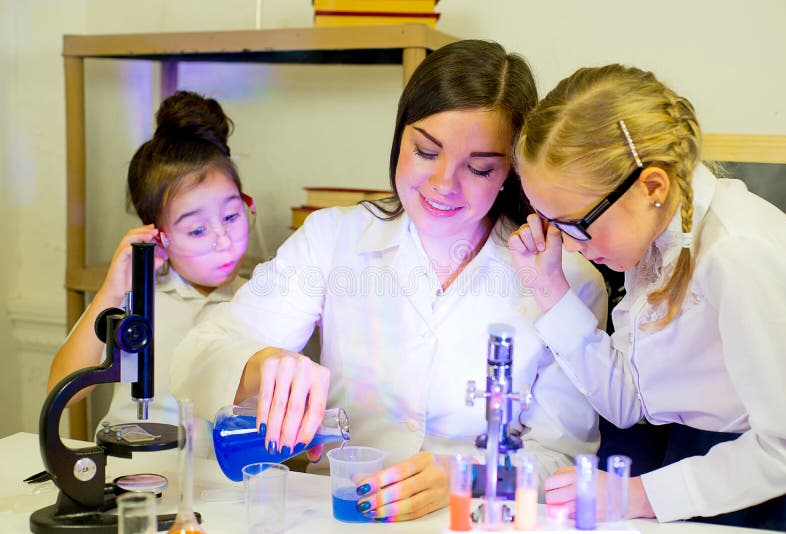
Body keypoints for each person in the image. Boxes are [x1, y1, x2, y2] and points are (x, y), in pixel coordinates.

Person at [172, 39, 608, 521]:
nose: (445, 183)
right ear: (399, 137)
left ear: (511, 172)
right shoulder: (335, 237)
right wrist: (260, 363)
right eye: (426, 151)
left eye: (480, 167)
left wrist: (470, 473)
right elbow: (198, 354)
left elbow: (564, 459)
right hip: (339, 515)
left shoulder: (566, 280)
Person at [509, 63, 786, 532]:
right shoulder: (655, 239)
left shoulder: (738, 253)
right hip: (689, 463)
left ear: (652, 187)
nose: (567, 244)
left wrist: (638, 495)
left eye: (574, 224)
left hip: (762, 490)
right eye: (548, 222)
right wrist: (549, 289)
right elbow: (627, 400)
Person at [47, 90, 252, 457]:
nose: (223, 240)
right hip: (131, 475)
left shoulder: (263, 301)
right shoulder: (137, 298)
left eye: (232, 216)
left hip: (220, 491)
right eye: (198, 230)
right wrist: (111, 292)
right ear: (157, 234)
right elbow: (63, 392)